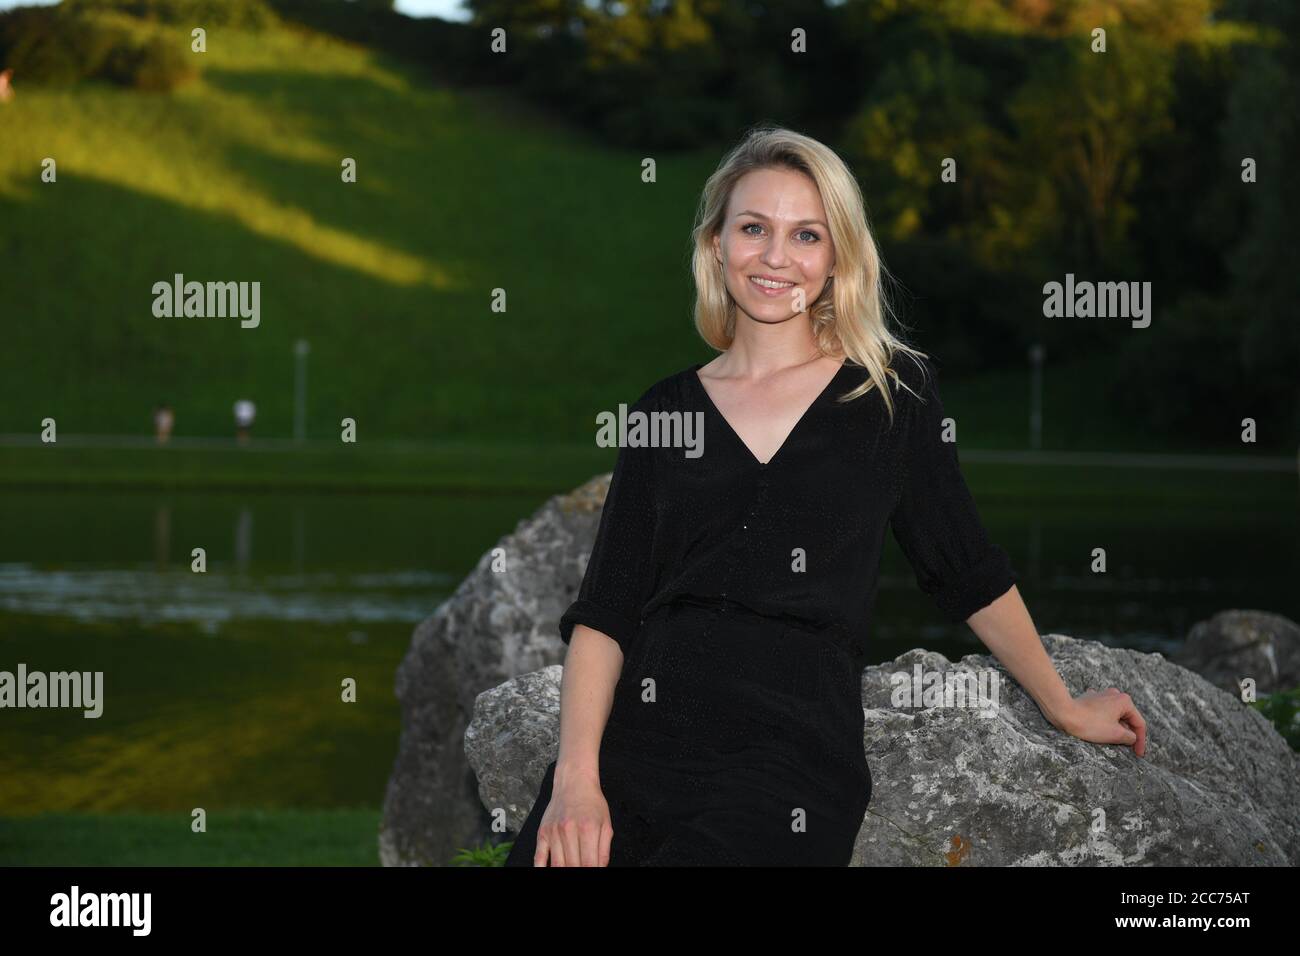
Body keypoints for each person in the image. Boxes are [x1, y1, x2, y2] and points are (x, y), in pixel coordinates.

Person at [505, 125, 1148, 868]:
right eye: (754, 229)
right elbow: (607, 612)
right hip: (637, 742)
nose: (777, 257)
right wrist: (577, 781)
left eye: (805, 234)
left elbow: (963, 564)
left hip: (789, 756)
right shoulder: (664, 408)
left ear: (837, 255)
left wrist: (1061, 703)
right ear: (717, 244)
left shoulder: (890, 394)